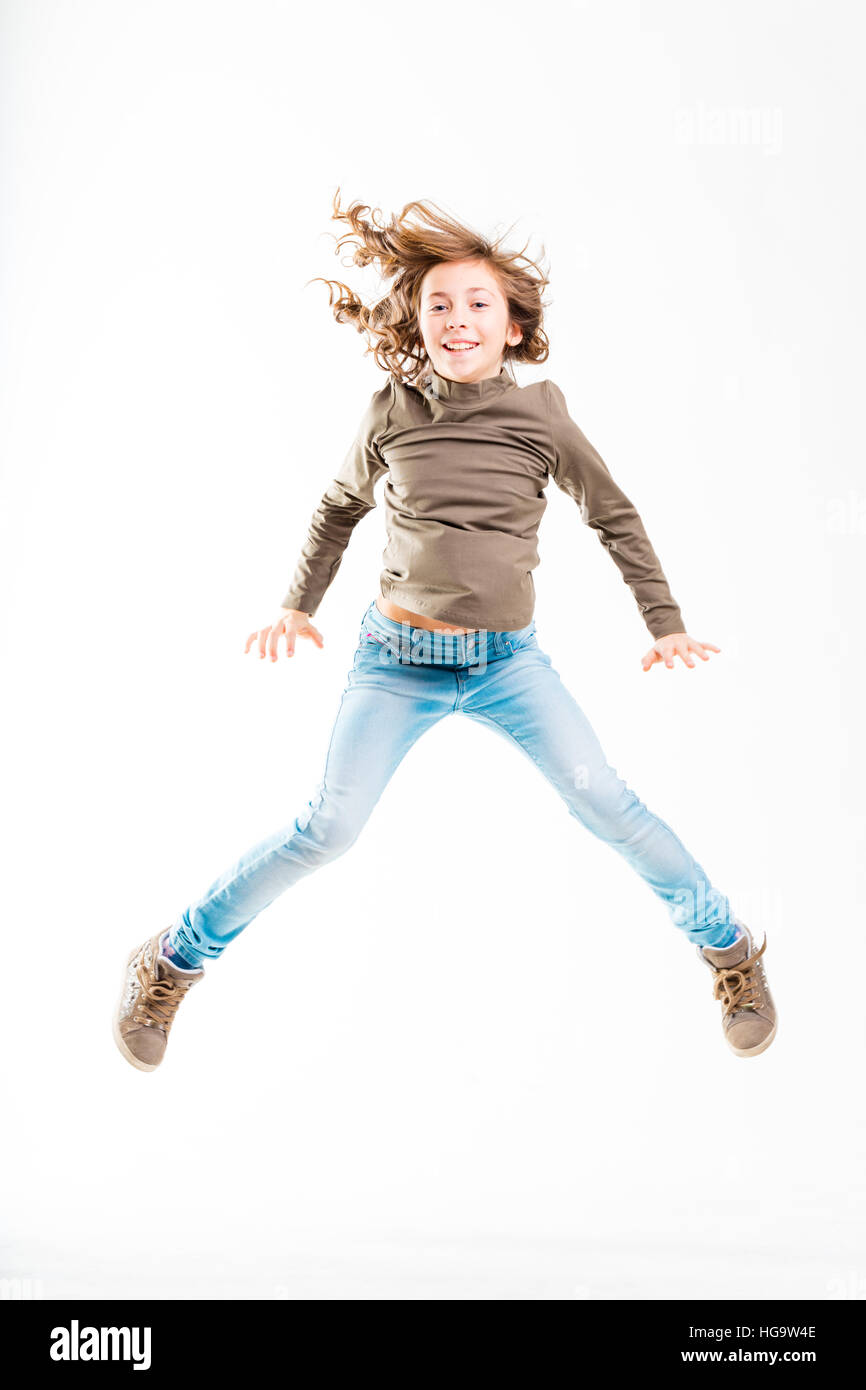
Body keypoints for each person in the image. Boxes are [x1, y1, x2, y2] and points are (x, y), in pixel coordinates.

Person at [113, 191, 776, 1072]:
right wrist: (296, 605)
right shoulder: (391, 410)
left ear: (513, 328)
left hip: (508, 665)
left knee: (603, 800)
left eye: (479, 305)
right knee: (329, 829)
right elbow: (336, 508)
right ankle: (171, 960)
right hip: (396, 662)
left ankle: (730, 951)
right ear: (415, 323)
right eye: (439, 305)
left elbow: (614, 515)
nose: (458, 319)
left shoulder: (541, 415)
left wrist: (664, 623)